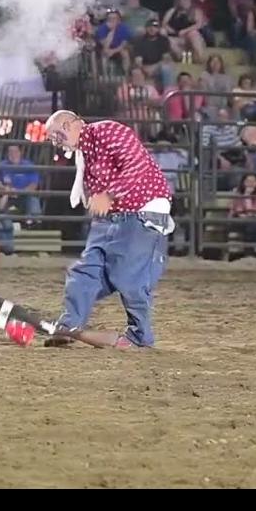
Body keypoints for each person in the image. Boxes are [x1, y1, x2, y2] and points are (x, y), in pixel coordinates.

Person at [41, 110, 175, 350]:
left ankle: (140, 335)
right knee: (84, 273)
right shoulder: (83, 152)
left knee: (129, 277)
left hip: (143, 213)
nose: (56, 140)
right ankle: (69, 326)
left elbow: (137, 165)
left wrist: (109, 195)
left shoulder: (108, 131)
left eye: (58, 133)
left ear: (74, 123)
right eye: (53, 138)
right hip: (113, 218)